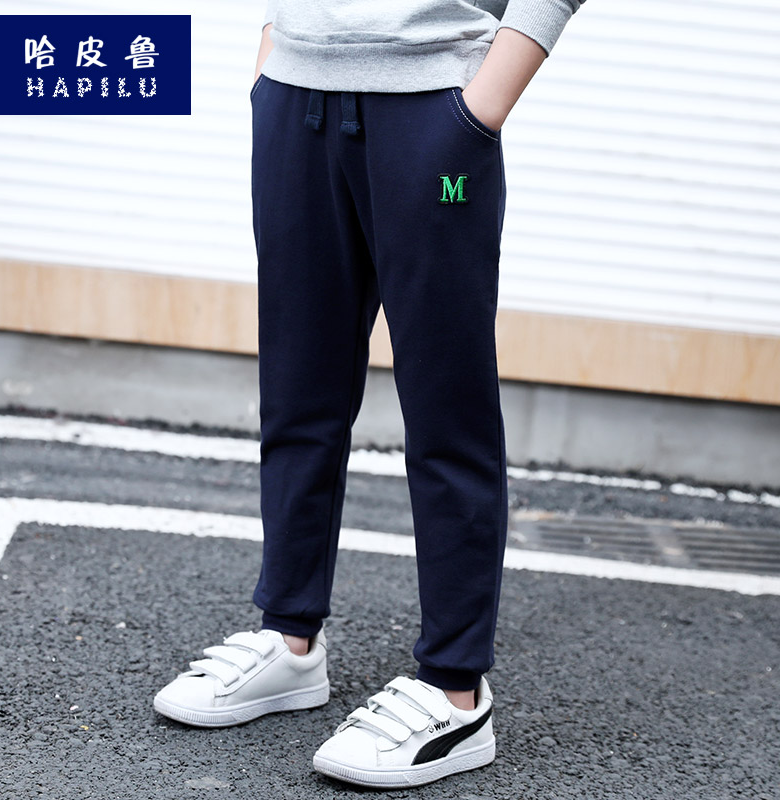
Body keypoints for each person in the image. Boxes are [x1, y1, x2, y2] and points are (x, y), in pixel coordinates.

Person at [154, 0, 586, 789]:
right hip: (293, 103)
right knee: (297, 390)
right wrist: (275, 54)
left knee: (446, 404)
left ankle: (455, 688)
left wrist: (479, 108)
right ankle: (290, 639)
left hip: (434, 119)